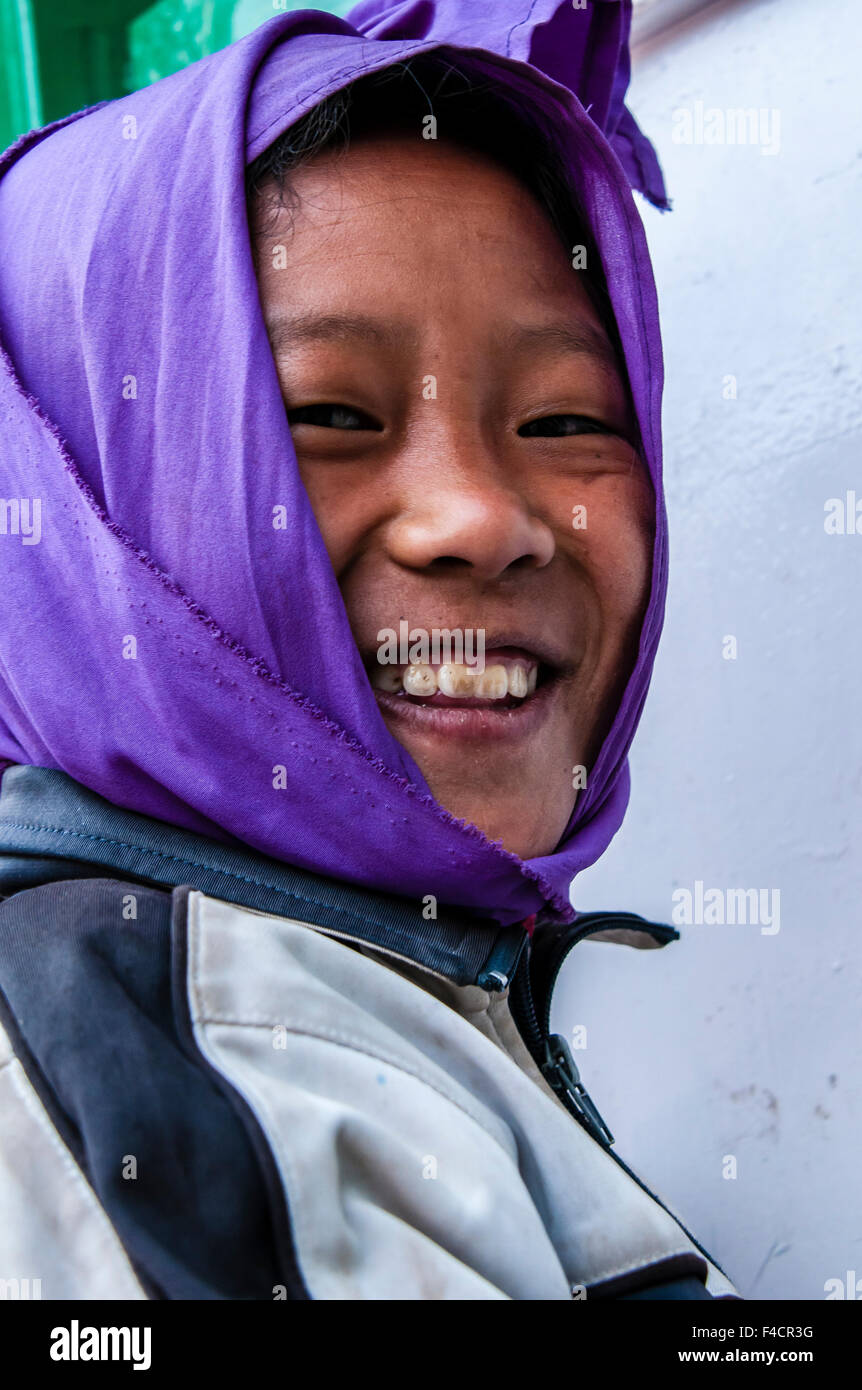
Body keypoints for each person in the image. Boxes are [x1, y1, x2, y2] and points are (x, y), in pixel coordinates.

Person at [0, 2, 738, 1300]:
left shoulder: (370, 973)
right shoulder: (178, 1072)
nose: (481, 519)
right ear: (80, 504)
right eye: (331, 412)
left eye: (567, 416)